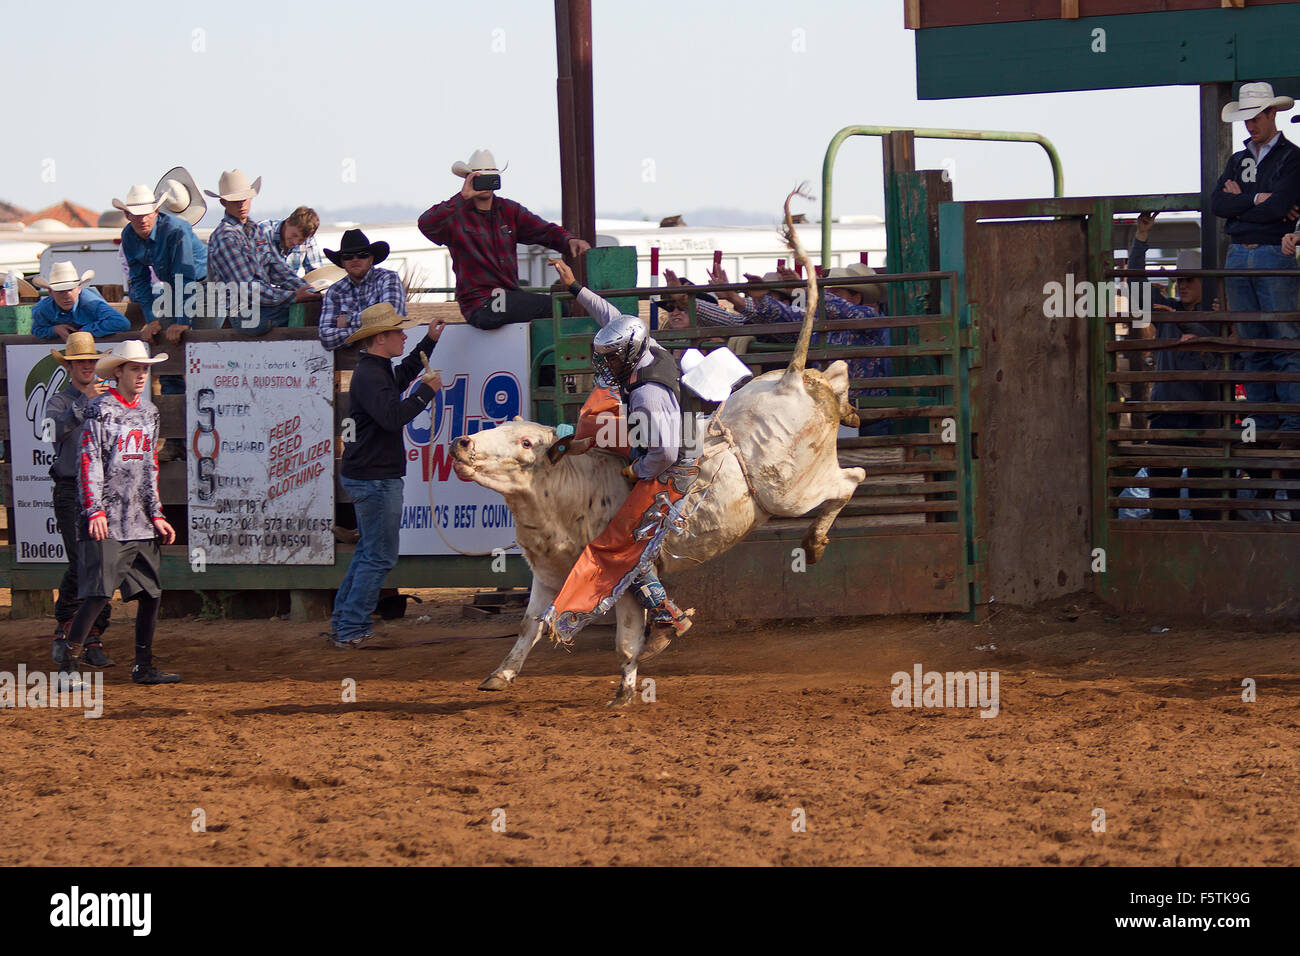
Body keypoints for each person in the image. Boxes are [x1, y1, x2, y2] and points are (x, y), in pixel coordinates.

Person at [541, 258, 697, 661]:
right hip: (668, 434)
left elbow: (662, 452)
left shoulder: (644, 394)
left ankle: (667, 615)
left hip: (668, 462)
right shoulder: (650, 349)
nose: (606, 364)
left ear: (627, 354)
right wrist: (577, 288)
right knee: (595, 436)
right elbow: (612, 317)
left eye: (611, 359)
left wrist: (636, 469)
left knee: (620, 542)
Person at [51, 340, 179, 686]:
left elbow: (149, 466)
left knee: (151, 594)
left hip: (137, 516)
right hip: (107, 515)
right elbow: (90, 461)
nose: (141, 374)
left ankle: (143, 664)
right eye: (135, 368)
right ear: (119, 371)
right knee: (98, 593)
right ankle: (70, 665)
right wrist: (94, 509)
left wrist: (157, 514)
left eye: (144, 368)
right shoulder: (100, 409)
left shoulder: (148, 413)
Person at [329, 304, 443, 648]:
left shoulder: (373, 370)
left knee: (369, 552)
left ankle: (344, 624)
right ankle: (350, 628)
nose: (403, 336)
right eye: (398, 332)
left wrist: (430, 340)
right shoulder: (372, 375)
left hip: (369, 475)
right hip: (375, 478)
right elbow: (393, 418)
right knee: (378, 556)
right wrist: (427, 392)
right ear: (382, 338)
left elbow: (404, 374)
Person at [417, 148, 591, 329]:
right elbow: (426, 223)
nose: (485, 182)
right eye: (479, 177)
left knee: (551, 307)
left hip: (505, 298)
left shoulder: (509, 211)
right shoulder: (455, 215)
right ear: (469, 180)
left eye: (489, 177)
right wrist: (462, 197)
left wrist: (568, 240)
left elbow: (543, 229)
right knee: (555, 307)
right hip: (480, 303)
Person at [1212, 83, 1300, 436]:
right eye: (1247, 118)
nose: (1250, 125)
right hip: (1255, 252)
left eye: (1255, 117)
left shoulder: (1292, 158)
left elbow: (1278, 207)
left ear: (1271, 114)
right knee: (1256, 344)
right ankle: (1270, 426)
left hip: (1262, 252)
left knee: (1278, 343)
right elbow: (1218, 205)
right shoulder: (1241, 158)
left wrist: (1241, 205)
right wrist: (1258, 200)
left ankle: (1287, 426)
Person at [1129, 213, 1222, 520]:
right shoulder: (1169, 310)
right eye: (1179, 279)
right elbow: (1135, 290)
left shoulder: (1216, 315)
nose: (1182, 285)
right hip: (1168, 414)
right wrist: (1141, 240)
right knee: (1163, 501)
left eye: (1188, 280)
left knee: (1204, 500)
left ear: (1202, 283)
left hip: (1202, 416)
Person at [44, 333, 114, 665]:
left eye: (91, 361)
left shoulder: (106, 396)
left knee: (100, 561)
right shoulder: (60, 401)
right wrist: (84, 401)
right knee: (81, 560)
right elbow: (49, 432)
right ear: (70, 366)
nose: (87, 366)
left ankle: (81, 629)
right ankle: (75, 626)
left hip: (101, 489)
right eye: (80, 362)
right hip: (72, 486)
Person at [205, 169, 319, 335]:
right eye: (235, 200)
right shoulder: (225, 237)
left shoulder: (254, 230)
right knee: (306, 312)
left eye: (244, 199)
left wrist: (308, 291)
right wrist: (293, 296)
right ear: (224, 203)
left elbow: (277, 268)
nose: (241, 204)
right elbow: (246, 289)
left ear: (250, 198)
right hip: (245, 314)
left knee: (315, 306)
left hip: (263, 307)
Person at [115, 181, 207, 347]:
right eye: (136, 214)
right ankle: (169, 373)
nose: (142, 219)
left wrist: (183, 321)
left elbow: (184, 276)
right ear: (128, 216)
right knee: (166, 341)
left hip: (207, 287)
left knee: (201, 342)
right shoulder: (128, 235)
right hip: (176, 288)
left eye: (146, 213)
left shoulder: (176, 230)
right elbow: (139, 279)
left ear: (156, 212)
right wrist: (151, 320)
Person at [317, 230, 409, 351]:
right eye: (348, 256)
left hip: (385, 362)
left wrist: (348, 320)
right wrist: (372, 328)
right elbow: (326, 338)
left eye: (362, 255)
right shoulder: (335, 291)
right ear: (342, 262)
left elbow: (391, 316)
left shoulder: (388, 278)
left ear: (371, 258)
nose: (355, 259)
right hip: (349, 366)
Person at [30, 262, 130, 340]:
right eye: (60, 291)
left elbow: (121, 323)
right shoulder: (42, 309)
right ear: (51, 292)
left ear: (79, 289)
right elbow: (36, 330)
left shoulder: (92, 303)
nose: (67, 296)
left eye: (70, 289)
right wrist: (55, 330)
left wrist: (84, 331)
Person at [257, 206, 324, 277]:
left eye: (302, 240)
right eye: (294, 235)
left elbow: (315, 273)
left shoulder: (309, 239)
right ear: (287, 221)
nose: (295, 242)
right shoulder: (261, 231)